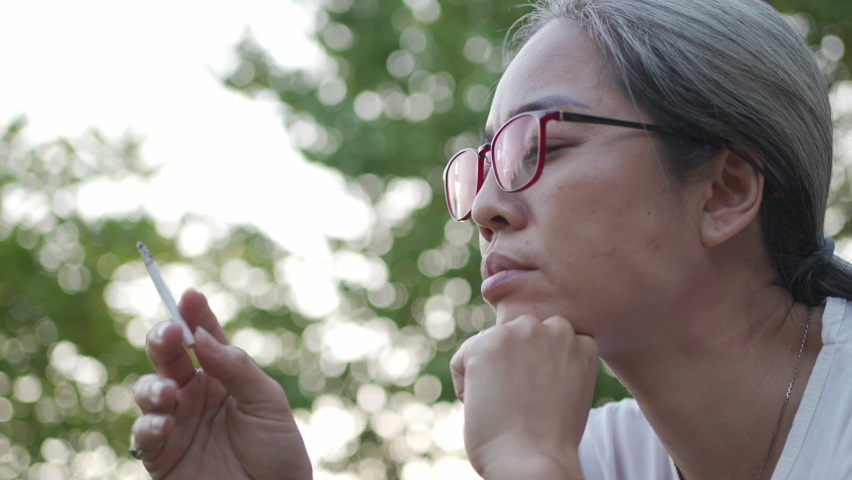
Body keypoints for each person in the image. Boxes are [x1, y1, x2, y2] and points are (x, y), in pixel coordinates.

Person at [131, 0, 852, 478]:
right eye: (480, 164)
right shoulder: (604, 456)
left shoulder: (552, 451)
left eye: (541, 144)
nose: (482, 207)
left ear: (725, 190)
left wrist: (531, 462)